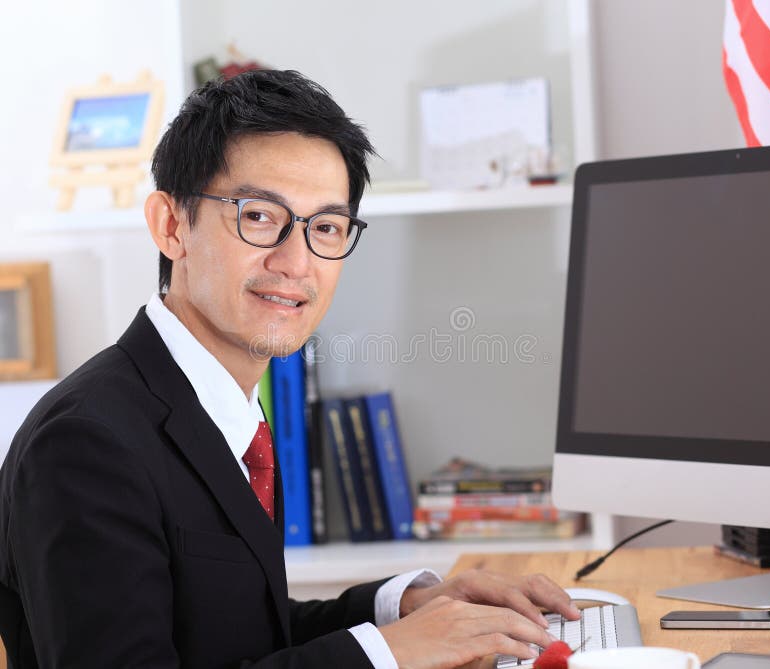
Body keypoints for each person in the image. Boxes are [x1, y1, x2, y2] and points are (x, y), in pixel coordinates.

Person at [0, 69, 579, 669]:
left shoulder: (224, 407)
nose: (297, 262)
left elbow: (237, 634)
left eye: (325, 227)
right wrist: (390, 654)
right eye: (258, 216)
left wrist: (407, 609)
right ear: (171, 226)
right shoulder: (85, 445)